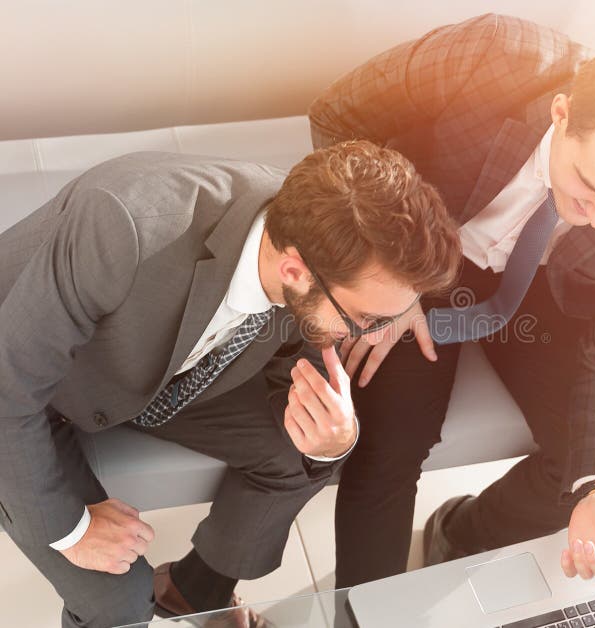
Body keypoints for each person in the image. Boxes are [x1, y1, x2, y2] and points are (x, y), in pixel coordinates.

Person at [309, 13, 595, 609]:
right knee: (392, 440)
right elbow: (338, 117)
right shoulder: (491, 57)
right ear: (562, 112)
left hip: (543, 301)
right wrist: (388, 271)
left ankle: (459, 537)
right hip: (421, 248)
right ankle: (363, 614)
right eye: (588, 186)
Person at [0, 142, 461, 628]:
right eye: (365, 319)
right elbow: (6, 395)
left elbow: (293, 360)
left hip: (168, 372)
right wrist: (72, 531)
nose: (362, 335)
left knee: (299, 451)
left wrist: (331, 442)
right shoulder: (121, 225)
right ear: (294, 271)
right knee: (117, 604)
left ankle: (192, 590)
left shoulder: (315, 243)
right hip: (31, 390)